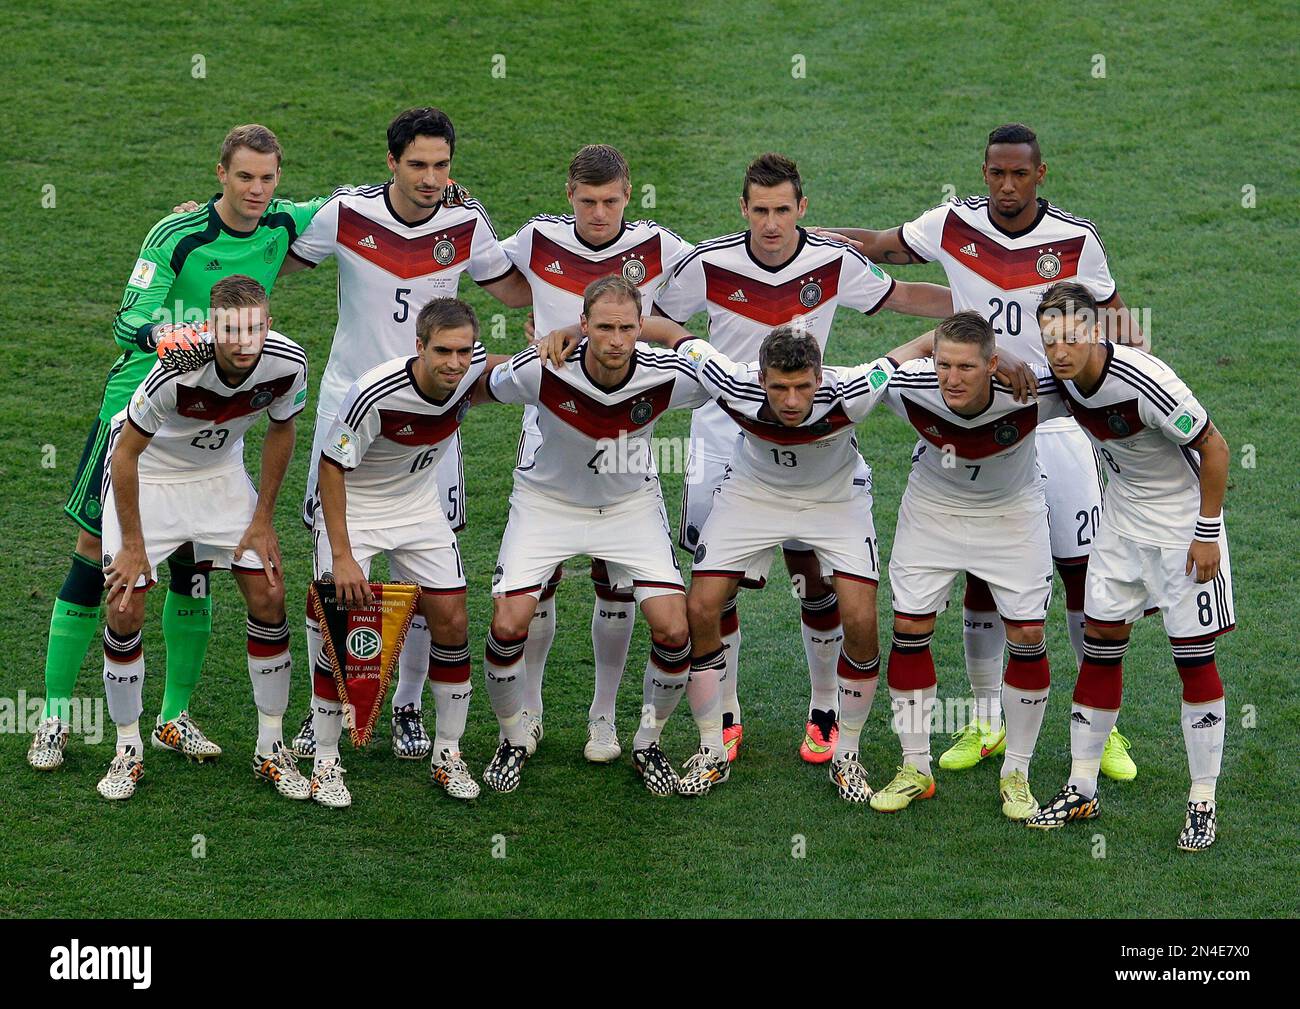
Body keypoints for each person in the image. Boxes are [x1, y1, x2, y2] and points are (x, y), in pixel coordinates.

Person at [820, 124, 1144, 781]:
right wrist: (806, 241)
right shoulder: (952, 223)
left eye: (1018, 174)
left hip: (1056, 424)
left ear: (1040, 174)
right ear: (984, 171)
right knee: (980, 577)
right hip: (979, 410)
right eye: (995, 172)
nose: (1004, 185)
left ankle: (1102, 729)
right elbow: (883, 246)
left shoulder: (1077, 240)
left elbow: (1117, 327)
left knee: (1083, 576)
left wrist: (1130, 393)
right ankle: (986, 719)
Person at [28, 125, 325, 773]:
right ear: (219, 173)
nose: (256, 189)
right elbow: (128, 318)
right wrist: (170, 336)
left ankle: (172, 717)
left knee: (195, 563)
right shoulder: (176, 233)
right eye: (244, 176)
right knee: (94, 558)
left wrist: (442, 195)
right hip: (136, 413)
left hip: (210, 426)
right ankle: (52, 715)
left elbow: (358, 205)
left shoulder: (283, 221)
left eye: (267, 177)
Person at [649, 152, 953, 766]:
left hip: (807, 418)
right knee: (716, 592)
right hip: (723, 427)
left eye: (782, 210)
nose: (770, 222)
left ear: (801, 208)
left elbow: (897, 298)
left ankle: (823, 710)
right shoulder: (707, 262)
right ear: (743, 209)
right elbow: (657, 319)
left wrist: (991, 304)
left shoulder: (832, 261)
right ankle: (727, 714)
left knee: (815, 577)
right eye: (759, 210)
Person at [283, 106, 531, 762]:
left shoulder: (465, 220)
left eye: (441, 165)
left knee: (423, 574)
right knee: (334, 579)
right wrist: (216, 223)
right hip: (349, 415)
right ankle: (322, 710)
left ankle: (408, 704)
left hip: (430, 422)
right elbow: (277, 258)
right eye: (417, 164)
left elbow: (512, 291)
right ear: (390, 161)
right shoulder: (345, 213)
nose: (430, 178)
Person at [499, 143, 693, 763]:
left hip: (624, 444)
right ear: (569, 196)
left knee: (618, 588)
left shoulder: (662, 248)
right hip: (551, 431)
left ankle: (604, 719)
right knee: (539, 589)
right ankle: (527, 712)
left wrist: (587, 332)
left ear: (629, 197)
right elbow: (475, 268)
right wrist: (541, 343)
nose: (600, 213)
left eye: (611, 201)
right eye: (588, 201)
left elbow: (700, 314)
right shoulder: (535, 241)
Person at [480, 276, 709, 795]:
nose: (616, 339)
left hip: (629, 507)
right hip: (547, 504)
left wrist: (681, 338)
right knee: (507, 622)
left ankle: (646, 740)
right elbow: (474, 385)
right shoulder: (541, 369)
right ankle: (513, 736)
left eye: (628, 327)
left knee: (675, 630)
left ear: (640, 328)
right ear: (583, 326)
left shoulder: (667, 375)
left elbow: (736, 381)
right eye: (604, 327)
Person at [1025, 282, 1232, 851]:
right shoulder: (1061, 382)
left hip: (1182, 528)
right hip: (1118, 523)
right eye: (1049, 341)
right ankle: (1081, 785)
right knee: (1100, 645)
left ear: (1095, 331)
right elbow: (1018, 393)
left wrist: (1208, 532)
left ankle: (1202, 800)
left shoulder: (1145, 381)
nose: (1059, 352)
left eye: (1069, 338)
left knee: (1192, 658)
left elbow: (1215, 448)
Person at [674, 324, 922, 798]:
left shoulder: (852, 388)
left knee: (860, 617)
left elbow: (909, 349)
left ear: (819, 377)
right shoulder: (730, 380)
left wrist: (996, 354)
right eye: (780, 387)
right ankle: (712, 749)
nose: (791, 400)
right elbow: (673, 334)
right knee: (701, 608)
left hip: (834, 501)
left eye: (803, 387)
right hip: (753, 494)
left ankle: (846, 754)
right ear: (760, 378)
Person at [96, 276, 308, 801]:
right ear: (212, 327)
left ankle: (270, 747)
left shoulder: (289, 364)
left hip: (218, 474)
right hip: (149, 473)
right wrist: (134, 545)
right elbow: (125, 454)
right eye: (231, 330)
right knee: (124, 605)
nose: (244, 341)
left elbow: (282, 430)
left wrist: (262, 518)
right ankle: (128, 749)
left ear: (269, 325)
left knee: (270, 593)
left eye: (254, 328)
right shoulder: (178, 368)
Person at [308, 299, 509, 808]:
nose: (455, 363)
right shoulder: (374, 393)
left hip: (419, 507)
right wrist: (344, 555)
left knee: (452, 622)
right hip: (358, 508)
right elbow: (331, 468)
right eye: (442, 351)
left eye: (464, 352)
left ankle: (448, 754)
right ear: (418, 347)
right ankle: (325, 761)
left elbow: (500, 378)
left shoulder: (471, 370)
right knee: (345, 629)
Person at [873, 311, 1064, 819]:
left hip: (1012, 515)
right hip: (933, 512)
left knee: (1026, 637)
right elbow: (867, 376)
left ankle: (1016, 773)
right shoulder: (912, 385)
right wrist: (922, 343)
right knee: (910, 627)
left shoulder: (1035, 391)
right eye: (943, 365)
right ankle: (916, 767)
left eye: (965, 368)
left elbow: (1092, 378)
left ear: (993, 365)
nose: (952, 379)